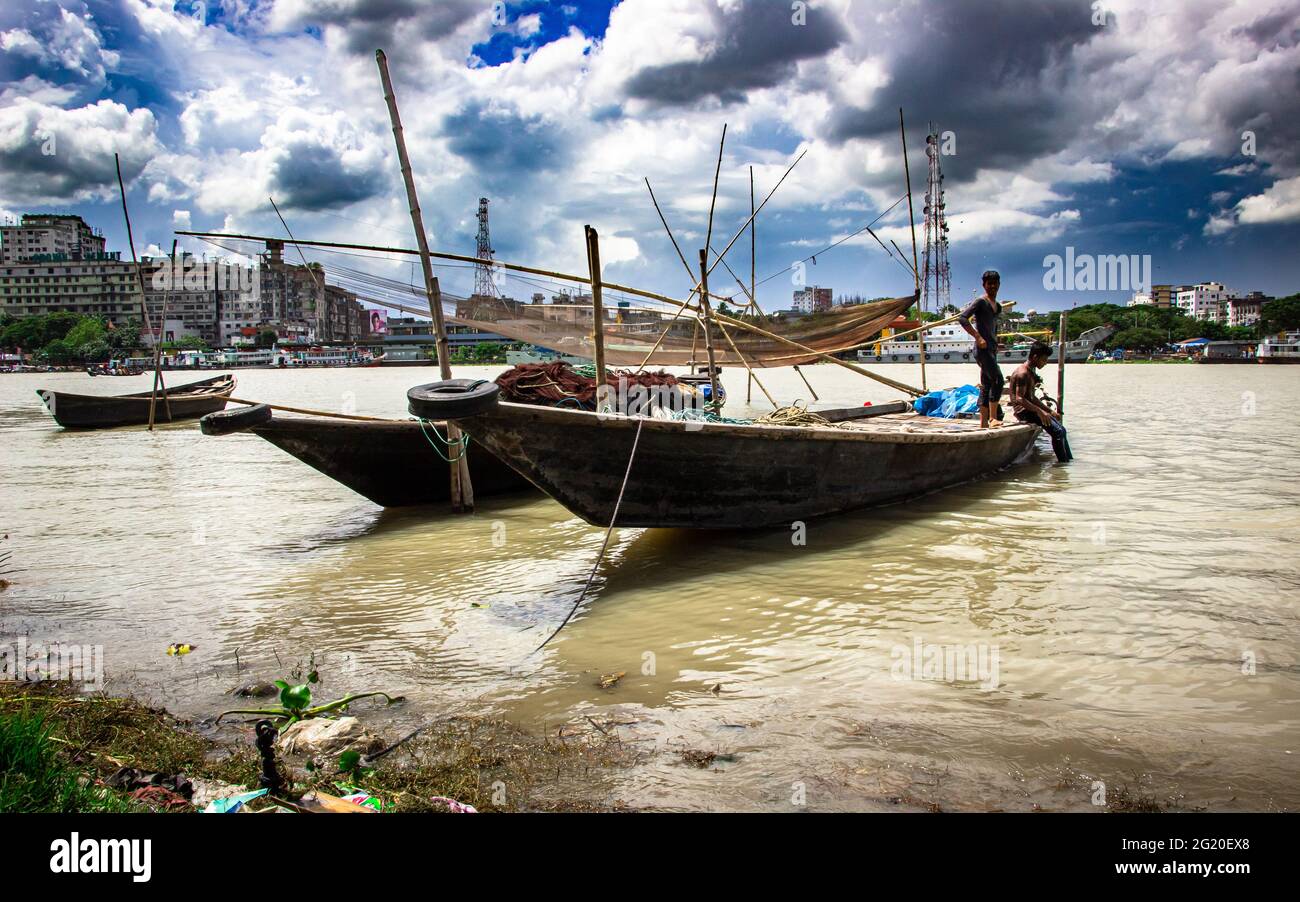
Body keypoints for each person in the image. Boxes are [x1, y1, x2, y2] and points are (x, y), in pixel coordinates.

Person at [1007, 340, 1073, 462]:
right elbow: (1019, 398)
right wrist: (1040, 412)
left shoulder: (1031, 370)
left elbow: (1032, 397)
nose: (1045, 363)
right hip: (1023, 411)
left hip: (1030, 409)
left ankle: (1069, 461)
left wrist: (1049, 411)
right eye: (1044, 360)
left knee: (1062, 430)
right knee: (1057, 432)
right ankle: (1062, 464)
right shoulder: (1023, 373)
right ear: (1035, 357)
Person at [957, 270, 1005, 428]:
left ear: (999, 284)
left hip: (991, 349)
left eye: (995, 283)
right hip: (982, 349)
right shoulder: (980, 302)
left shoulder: (997, 306)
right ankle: (993, 418)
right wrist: (978, 337)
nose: (992, 286)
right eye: (989, 283)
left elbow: (993, 327)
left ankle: (983, 423)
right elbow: (962, 318)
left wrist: (996, 343)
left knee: (986, 385)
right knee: (998, 380)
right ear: (983, 285)